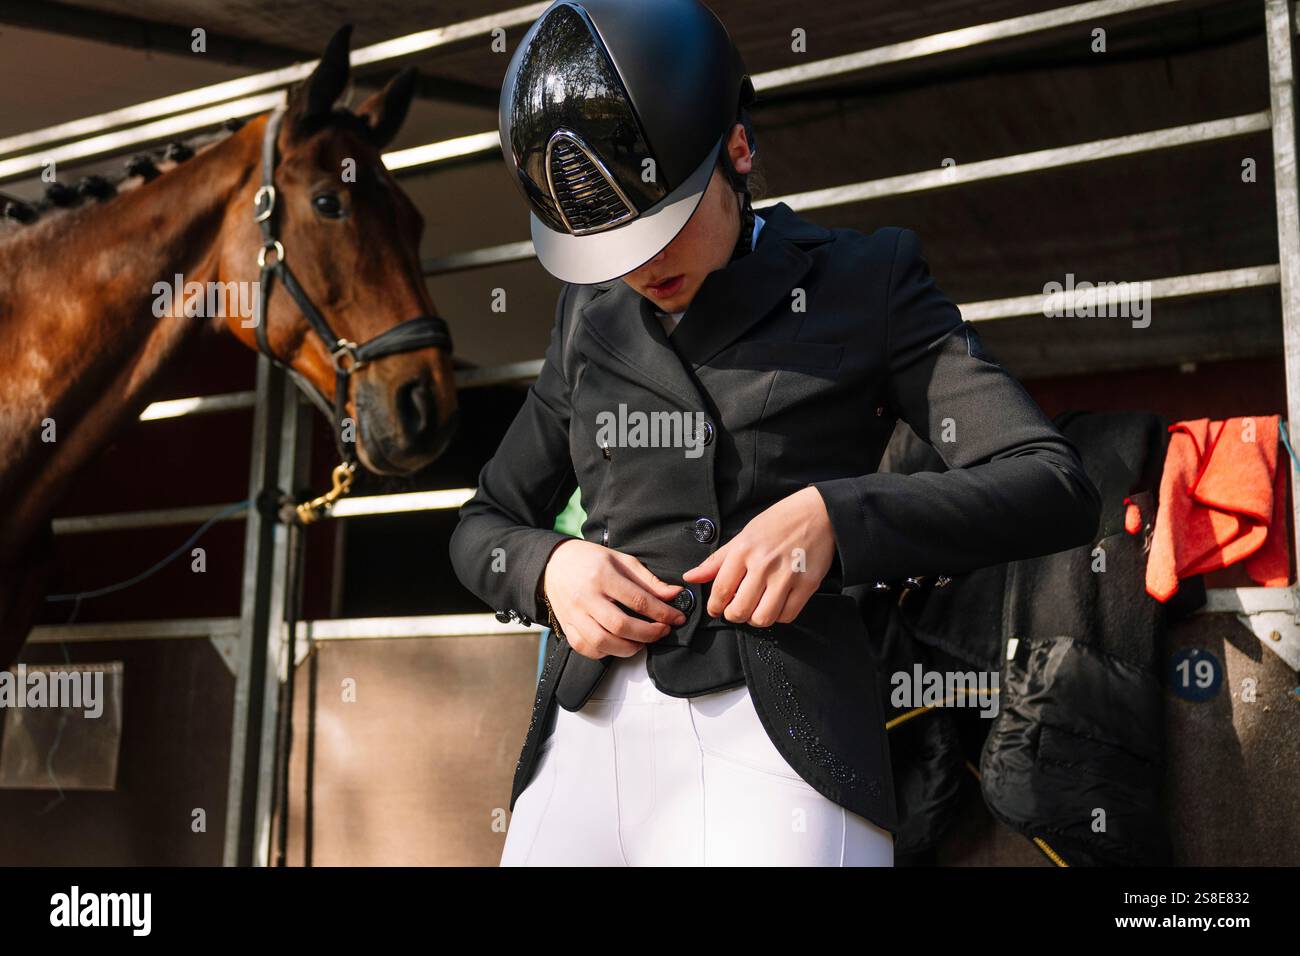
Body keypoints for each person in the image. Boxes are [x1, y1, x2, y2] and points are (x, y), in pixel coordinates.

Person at [449, 0, 1101, 866]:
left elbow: (1051, 483)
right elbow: (481, 524)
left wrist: (838, 519)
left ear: (739, 149)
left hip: (783, 739)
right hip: (585, 739)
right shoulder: (586, 315)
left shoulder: (867, 279)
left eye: (665, 224)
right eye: (613, 248)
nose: (642, 268)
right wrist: (547, 568)